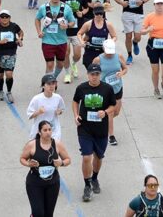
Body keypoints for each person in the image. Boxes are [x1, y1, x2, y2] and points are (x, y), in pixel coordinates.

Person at [71, 63, 117, 201]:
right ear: (88, 75)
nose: (94, 77)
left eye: (97, 74)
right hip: (85, 128)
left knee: (98, 156)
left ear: (100, 75)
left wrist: (106, 112)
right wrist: (76, 115)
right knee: (86, 157)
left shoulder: (107, 89)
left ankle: (95, 178)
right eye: (92, 74)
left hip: (101, 129)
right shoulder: (81, 88)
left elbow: (113, 105)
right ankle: (87, 185)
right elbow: (75, 101)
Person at [19, 121, 71, 217]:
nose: (48, 132)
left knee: (48, 214)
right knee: (38, 213)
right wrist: (29, 164)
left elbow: (68, 159)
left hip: (52, 184)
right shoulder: (32, 145)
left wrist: (61, 163)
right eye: (45, 130)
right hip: (34, 183)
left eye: (50, 129)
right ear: (39, 132)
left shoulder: (57, 144)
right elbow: (22, 159)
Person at [142, 0, 163, 98]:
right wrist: (148, 29)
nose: (159, 6)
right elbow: (142, 31)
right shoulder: (149, 17)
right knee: (155, 70)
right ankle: (156, 89)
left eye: (161, 4)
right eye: (157, 4)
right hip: (153, 45)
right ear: (154, 5)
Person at [0, 9, 24, 102]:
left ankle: (9, 92)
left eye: (6, 17)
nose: (4, 19)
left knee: (9, 74)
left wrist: (20, 39)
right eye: (2, 17)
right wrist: (0, 42)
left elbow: (21, 32)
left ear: (9, 18)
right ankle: (0, 90)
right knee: (0, 75)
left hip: (11, 53)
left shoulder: (14, 26)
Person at [26, 74, 66, 140]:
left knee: (53, 149)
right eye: (48, 84)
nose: (51, 86)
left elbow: (61, 109)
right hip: (39, 132)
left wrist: (60, 111)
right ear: (43, 86)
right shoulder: (36, 99)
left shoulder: (58, 98)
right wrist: (38, 112)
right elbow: (29, 115)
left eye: (53, 83)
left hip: (54, 132)